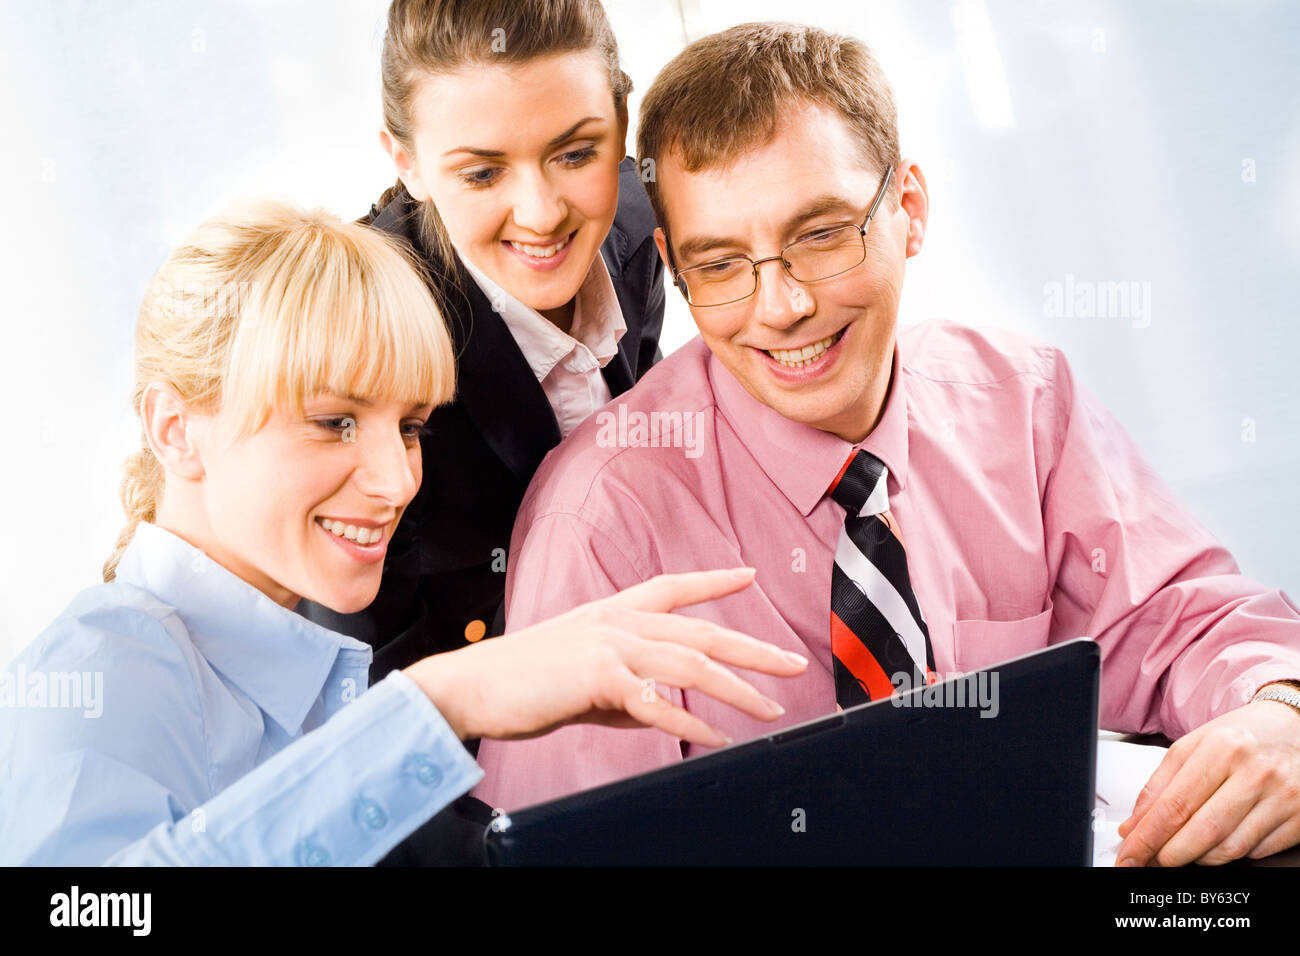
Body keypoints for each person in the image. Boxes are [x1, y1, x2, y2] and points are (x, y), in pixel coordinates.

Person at [471, 21, 1300, 867]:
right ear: (674, 265)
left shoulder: (1022, 402)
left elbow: (1184, 623)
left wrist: (1281, 710)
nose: (783, 304)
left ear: (908, 208)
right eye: (720, 263)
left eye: (821, 234)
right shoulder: (600, 523)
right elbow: (574, 856)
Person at [0, 200, 806, 866]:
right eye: (335, 422)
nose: (395, 481)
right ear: (176, 430)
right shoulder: (102, 671)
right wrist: (441, 700)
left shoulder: (314, 669)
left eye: (411, 427)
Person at [301, 0, 667, 682]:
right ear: (407, 162)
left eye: (576, 153)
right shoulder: (358, 342)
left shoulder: (640, 225)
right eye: (482, 173)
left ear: (621, 124)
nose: (542, 213)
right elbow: (364, 686)